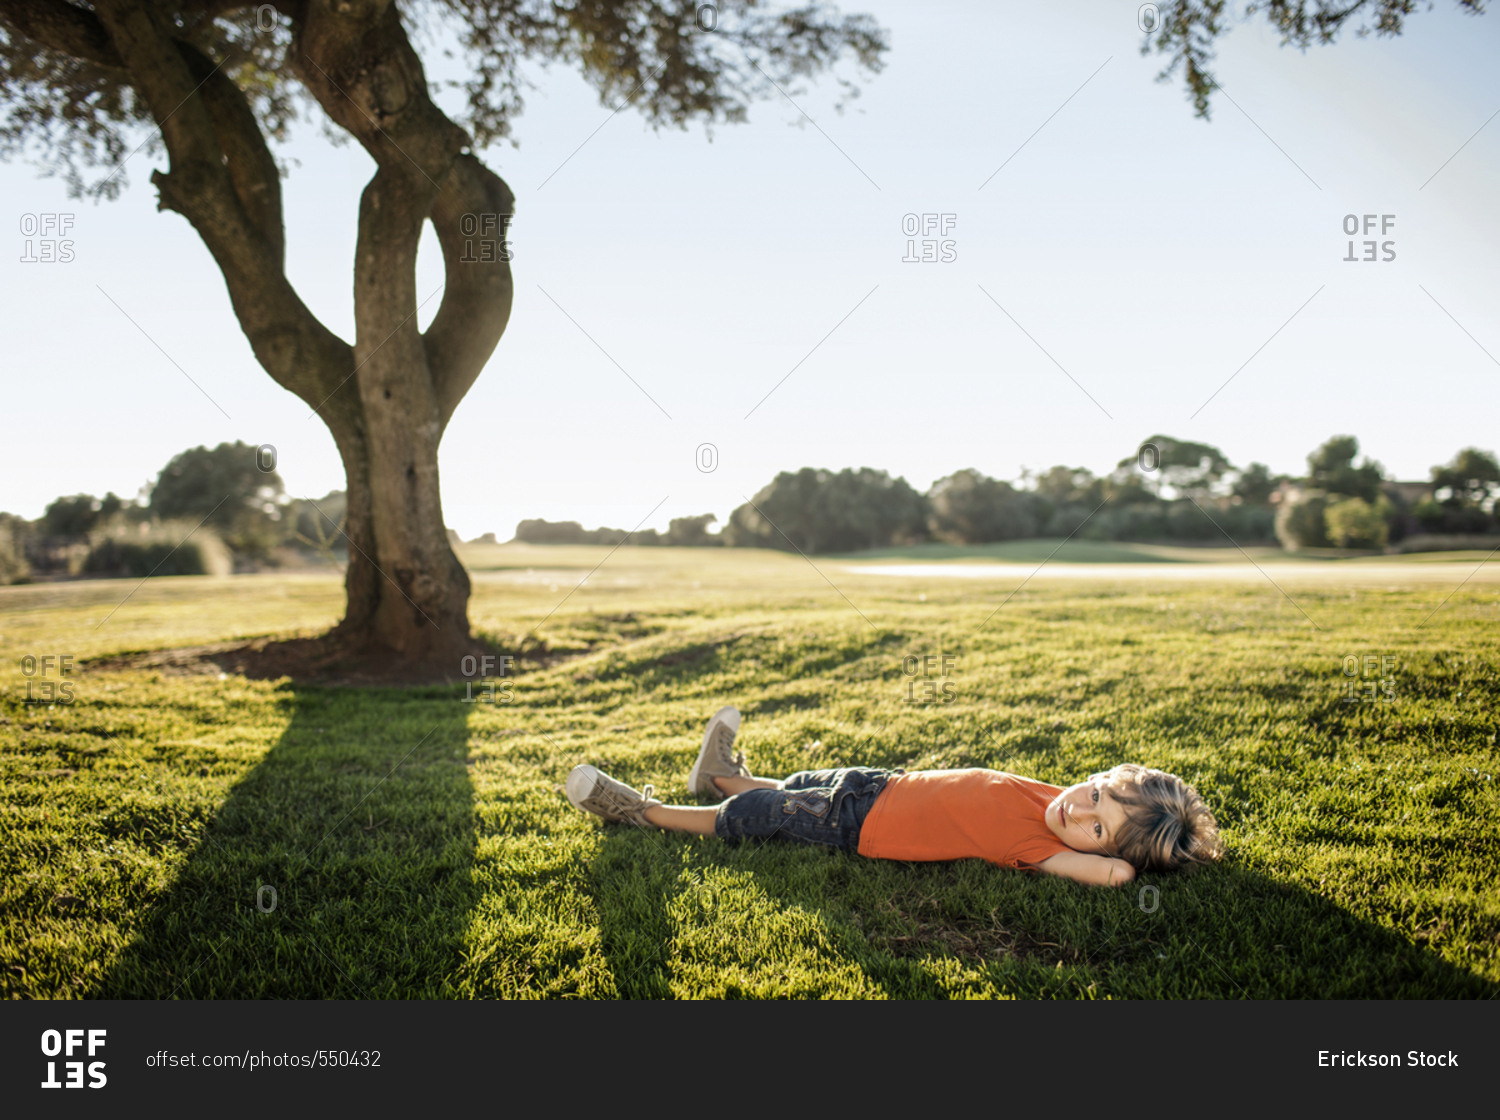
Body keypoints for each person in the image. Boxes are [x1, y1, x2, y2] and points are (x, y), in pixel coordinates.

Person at [565, 707, 1224, 888]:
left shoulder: (1042, 848)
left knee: (756, 818)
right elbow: (1099, 807)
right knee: (791, 784)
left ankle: (641, 811)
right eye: (1097, 792)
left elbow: (1114, 873)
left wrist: (1132, 859)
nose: (1079, 811)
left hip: (853, 824)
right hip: (879, 783)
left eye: (1097, 827)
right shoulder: (1061, 800)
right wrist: (1125, 812)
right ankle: (716, 775)